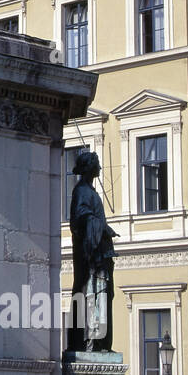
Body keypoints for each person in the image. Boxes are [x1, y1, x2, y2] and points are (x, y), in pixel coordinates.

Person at [68, 149, 117, 352]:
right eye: (96, 163)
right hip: (90, 253)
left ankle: (100, 341)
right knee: (90, 293)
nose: (99, 167)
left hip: (100, 250)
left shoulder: (91, 192)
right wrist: (101, 227)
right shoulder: (81, 191)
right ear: (89, 167)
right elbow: (79, 218)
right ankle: (90, 341)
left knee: (104, 295)